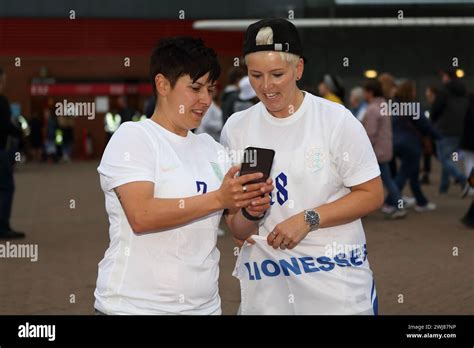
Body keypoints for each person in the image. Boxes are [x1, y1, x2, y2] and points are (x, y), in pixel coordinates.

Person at [94, 37, 273, 315]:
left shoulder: (213, 150)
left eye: (210, 89)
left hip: (205, 308)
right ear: (163, 84)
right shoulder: (134, 137)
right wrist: (218, 198)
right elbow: (141, 216)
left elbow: (237, 231)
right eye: (195, 88)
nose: (205, 100)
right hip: (133, 308)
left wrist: (252, 210)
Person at [221, 18, 384, 315]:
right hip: (269, 292)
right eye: (256, 75)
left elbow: (372, 194)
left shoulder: (336, 120)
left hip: (337, 289)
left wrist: (309, 218)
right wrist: (249, 212)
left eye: (277, 74)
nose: (266, 86)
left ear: (298, 69)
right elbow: (236, 227)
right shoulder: (237, 128)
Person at [391, 80, 439, 212]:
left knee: (412, 174)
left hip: (395, 143)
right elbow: (425, 125)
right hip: (411, 145)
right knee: (404, 174)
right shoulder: (413, 106)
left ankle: (421, 202)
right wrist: (438, 136)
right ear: (410, 92)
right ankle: (390, 202)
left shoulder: (394, 105)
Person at [362, 79, 406, 219]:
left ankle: (361, 209)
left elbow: (370, 133)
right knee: (387, 180)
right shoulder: (383, 105)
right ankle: (399, 205)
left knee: (366, 181)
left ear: (370, 92)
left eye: (365, 91)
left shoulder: (372, 109)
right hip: (384, 150)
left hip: (375, 152)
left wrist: (362, 148)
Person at [431, 68, 469, 195]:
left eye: (444, 76)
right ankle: (443, 186)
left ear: (448, 77)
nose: (442, 79)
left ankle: (462, 179)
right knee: (448, 158)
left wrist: (433, 123)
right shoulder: (464, 92)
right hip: (460, 130)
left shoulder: (443, 92)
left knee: (443, 158)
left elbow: (436, 110)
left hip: (444, 130)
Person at [0, 68, 25, 239]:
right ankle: (3, 227)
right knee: (6, 187)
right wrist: (19, 132)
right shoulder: (1, 101)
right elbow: (4, 126)